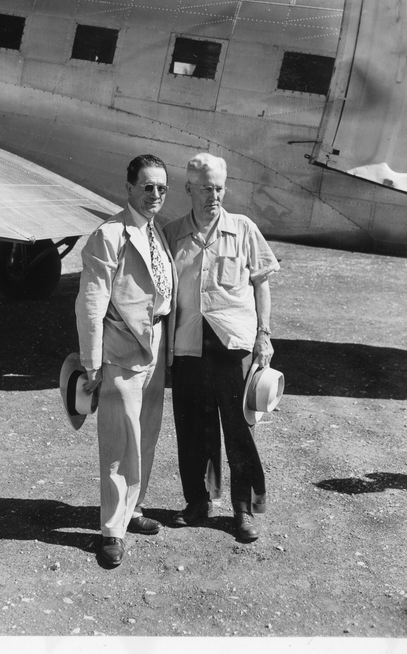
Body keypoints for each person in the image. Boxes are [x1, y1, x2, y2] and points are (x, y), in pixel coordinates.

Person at [163, 153, 280, 543]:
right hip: (188, 346)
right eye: (206, 189)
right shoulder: (172, 234)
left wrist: (264, 334)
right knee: (192, 429)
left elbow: (262, 283)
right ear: (189, 189)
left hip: (233, 346)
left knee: (239, 432)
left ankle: (243, 511)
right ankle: (197, 502)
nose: (213, 196)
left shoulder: (244, 228)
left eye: (219, 188)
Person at [75, 154, 176, 567]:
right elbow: (91, 303)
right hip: (119, 351)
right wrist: (92, 361)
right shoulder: (109, 234)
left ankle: (133, 510)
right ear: (130, 187)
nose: (155, 195)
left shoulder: (157, 233)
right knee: (119, 443)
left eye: (162, 188)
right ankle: (112, 531)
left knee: (146, 435)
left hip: (155, 347)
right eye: (148, 186)